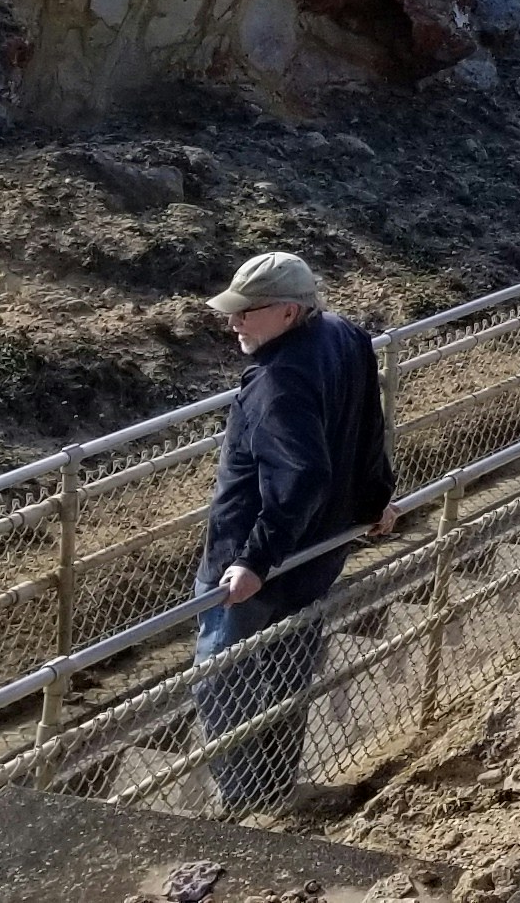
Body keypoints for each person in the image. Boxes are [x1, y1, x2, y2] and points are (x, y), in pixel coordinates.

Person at [193, 252, 396, 815]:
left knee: (222, 681)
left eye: (245, 312)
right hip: (318, 550)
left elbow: (302, 473)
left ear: (287, 312)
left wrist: (255, 560)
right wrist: (376, 499)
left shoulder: (277, 380)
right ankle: (277, 788)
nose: (233, 322)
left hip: (254, 561)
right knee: (287, 669)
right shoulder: (346, 337)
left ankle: (242, 803)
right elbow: (366, 425)